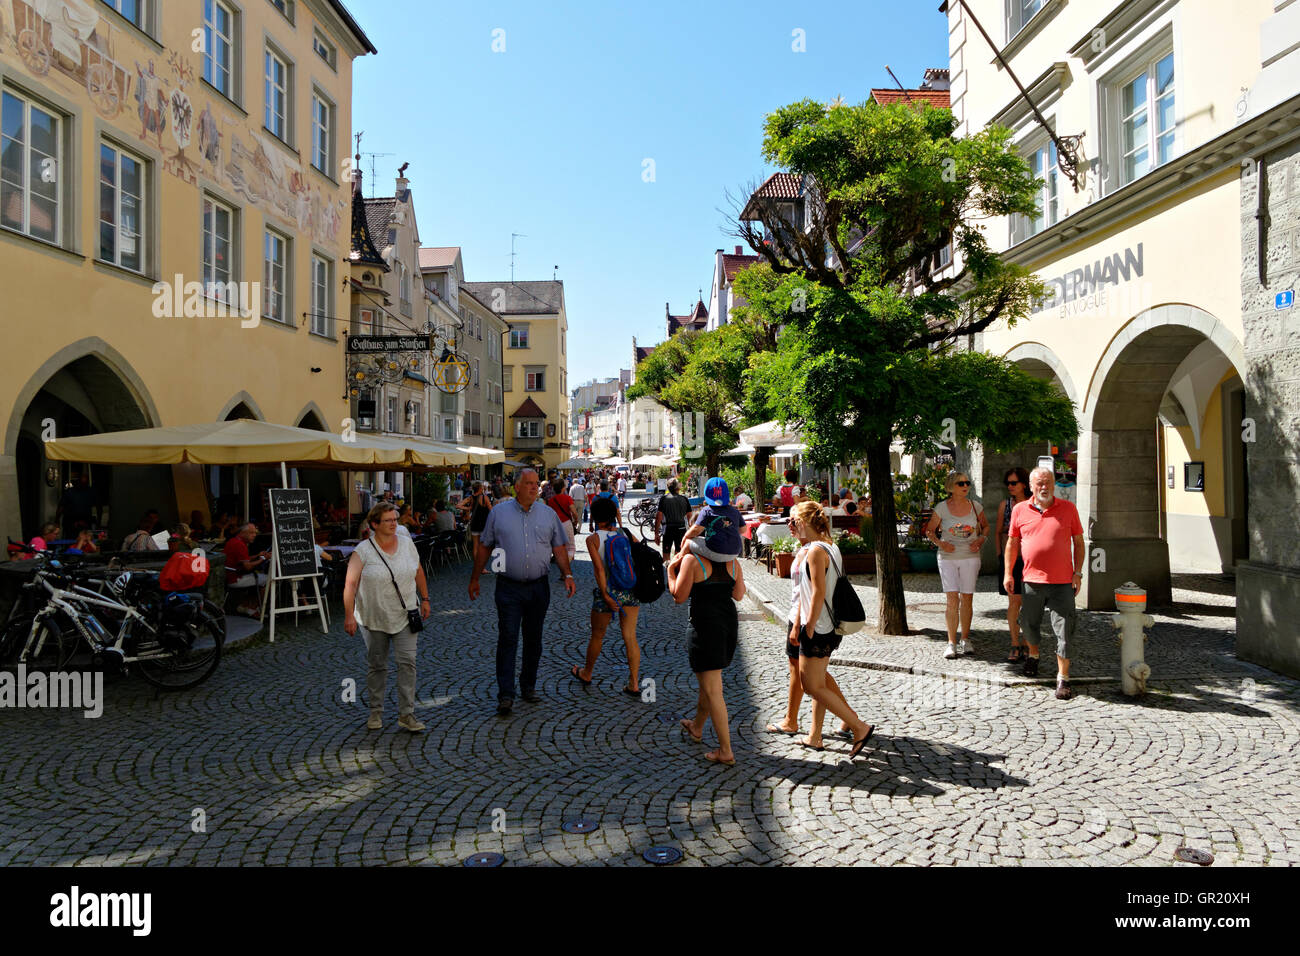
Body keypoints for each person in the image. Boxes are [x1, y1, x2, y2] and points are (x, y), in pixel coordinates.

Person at [468, 469, 577, 716]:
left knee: (533, 639)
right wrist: (475, 577)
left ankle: (528, 685)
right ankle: (506, 694)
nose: (534, 488)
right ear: (516, 486)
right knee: (508, 638)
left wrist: (568, 574)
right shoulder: (498, 513)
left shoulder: (548, 514)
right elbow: (485, 546)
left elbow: (558, 547)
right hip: (508, 587)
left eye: (536, 484)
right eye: (528, 483)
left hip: (539, 586)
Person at [766, 502, 872, 754]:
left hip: (818, 625)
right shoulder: (827, 546)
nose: (789, 526)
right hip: (823, 623)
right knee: (818, 680)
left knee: (812, 684)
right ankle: (817, 735)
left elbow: (817, 593)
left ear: (804, 522)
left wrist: (807, 626)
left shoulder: (815, 551)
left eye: (792, 521)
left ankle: (859, 726)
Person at [343, 503, 430, 732]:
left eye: (395, 520)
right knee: (378, 666)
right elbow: (350, 584)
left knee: (407, 663)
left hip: (405, 614)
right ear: (374, 524)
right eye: (388, 520)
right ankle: (376, 711)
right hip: (374, 618)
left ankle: (406, 714)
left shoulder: (407, 544)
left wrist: (426, 598)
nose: (394, 524)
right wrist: (348, 615)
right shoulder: (363, 550)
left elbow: (418, 570)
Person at [665, 526, 747, 767]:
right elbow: (739, 595)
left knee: (713, 690)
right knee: (708, 682)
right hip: (727, 625)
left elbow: (678, 597)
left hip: (704, 626)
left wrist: (670, 571)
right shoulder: (733, 564)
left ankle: (725, 750)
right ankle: (697, 727)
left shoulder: (692, 561)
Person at [1005, 467, 1085, 700]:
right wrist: (1008, 574)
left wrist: (1077, 573)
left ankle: (1063, 678)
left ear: (1053, 485)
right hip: (1031, 580)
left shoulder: (1068, 508)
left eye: (1048, 482)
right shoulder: (1020, 510)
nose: (1044, 487)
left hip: (1062, 582)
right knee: (1028, 625)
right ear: (1031, 486)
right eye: (1039, 483)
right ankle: (1034, 654)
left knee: (1065, 630)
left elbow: (1079, 543)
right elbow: (1012, 543)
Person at [570, 496, 642, 696]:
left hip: (607, 592)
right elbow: (638, 557)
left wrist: (606, 595)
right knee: (630, 637)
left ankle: (587, 673)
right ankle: (634, 683)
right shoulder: (626, 533)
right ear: (613, 515)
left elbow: (599, 570)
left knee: (597, 635)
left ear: (594, 516)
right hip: (630, 591)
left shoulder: (592, 539)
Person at [925, 471, 988, 659]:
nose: (965, 486)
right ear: (951, 487)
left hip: (970, 556)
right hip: (947, 557)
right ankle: (951, 642)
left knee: (967, 598)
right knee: (952, 599)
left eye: (967, 483)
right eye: (961, 484)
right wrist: (941, 543)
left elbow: (985, 527)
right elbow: (929, 530)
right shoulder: (942, 508)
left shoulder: (976, 506)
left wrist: (981, 539)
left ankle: (965, 639)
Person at [996, 466, 1032, 663]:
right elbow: (998, 530)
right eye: (1007, 483)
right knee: (1014, 602)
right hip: (1012, 559)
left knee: (1029, 602)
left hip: (1030, 560)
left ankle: (1027, 642)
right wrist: (1000, 555)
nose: (1010, 486)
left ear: (1024, 484)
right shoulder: (1006, 505)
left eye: (1013, 483)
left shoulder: (1034, 504)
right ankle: (1014, 643)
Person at [680, 477, 743, 565]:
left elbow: (696, 530)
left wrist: (685, 537)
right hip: (735, 552)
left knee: (687, 543)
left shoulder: (707, 510)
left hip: (715, 551)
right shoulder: (735, 511)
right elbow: (743, 530)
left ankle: (677, 565)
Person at [224, 522, 270, 617]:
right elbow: (247, 566)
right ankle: (253, 608)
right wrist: (263, 559)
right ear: (242, 533)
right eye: (251, 533)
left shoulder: (233, 541)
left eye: (255, 533)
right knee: (268, 579)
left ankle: (245, 604)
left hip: (229, 575)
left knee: (260, 577)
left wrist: (258, 555)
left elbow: (244, 559)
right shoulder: (240, 545)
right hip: (235, 578)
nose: (254, 535)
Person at [545, 477, 577, 577]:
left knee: (558, 548)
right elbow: (573, 511)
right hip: (566, 523)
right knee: (571, 547)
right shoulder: (567, 498)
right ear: (563, 488)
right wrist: (575, 521)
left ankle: (563, 572)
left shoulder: (551, 500)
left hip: (555, 525)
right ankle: (565, 572)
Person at [654, 479, 692, 560]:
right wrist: (691, 532)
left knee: (666, 554)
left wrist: (656, 533)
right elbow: (690, 518)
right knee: (679, 553)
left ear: (668, 487)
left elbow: (658, 517)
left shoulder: (664, 499)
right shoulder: (684, 499)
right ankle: (676, 570)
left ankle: (667, 570)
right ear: (678, 488)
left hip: (668, 529)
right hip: (681, 529)